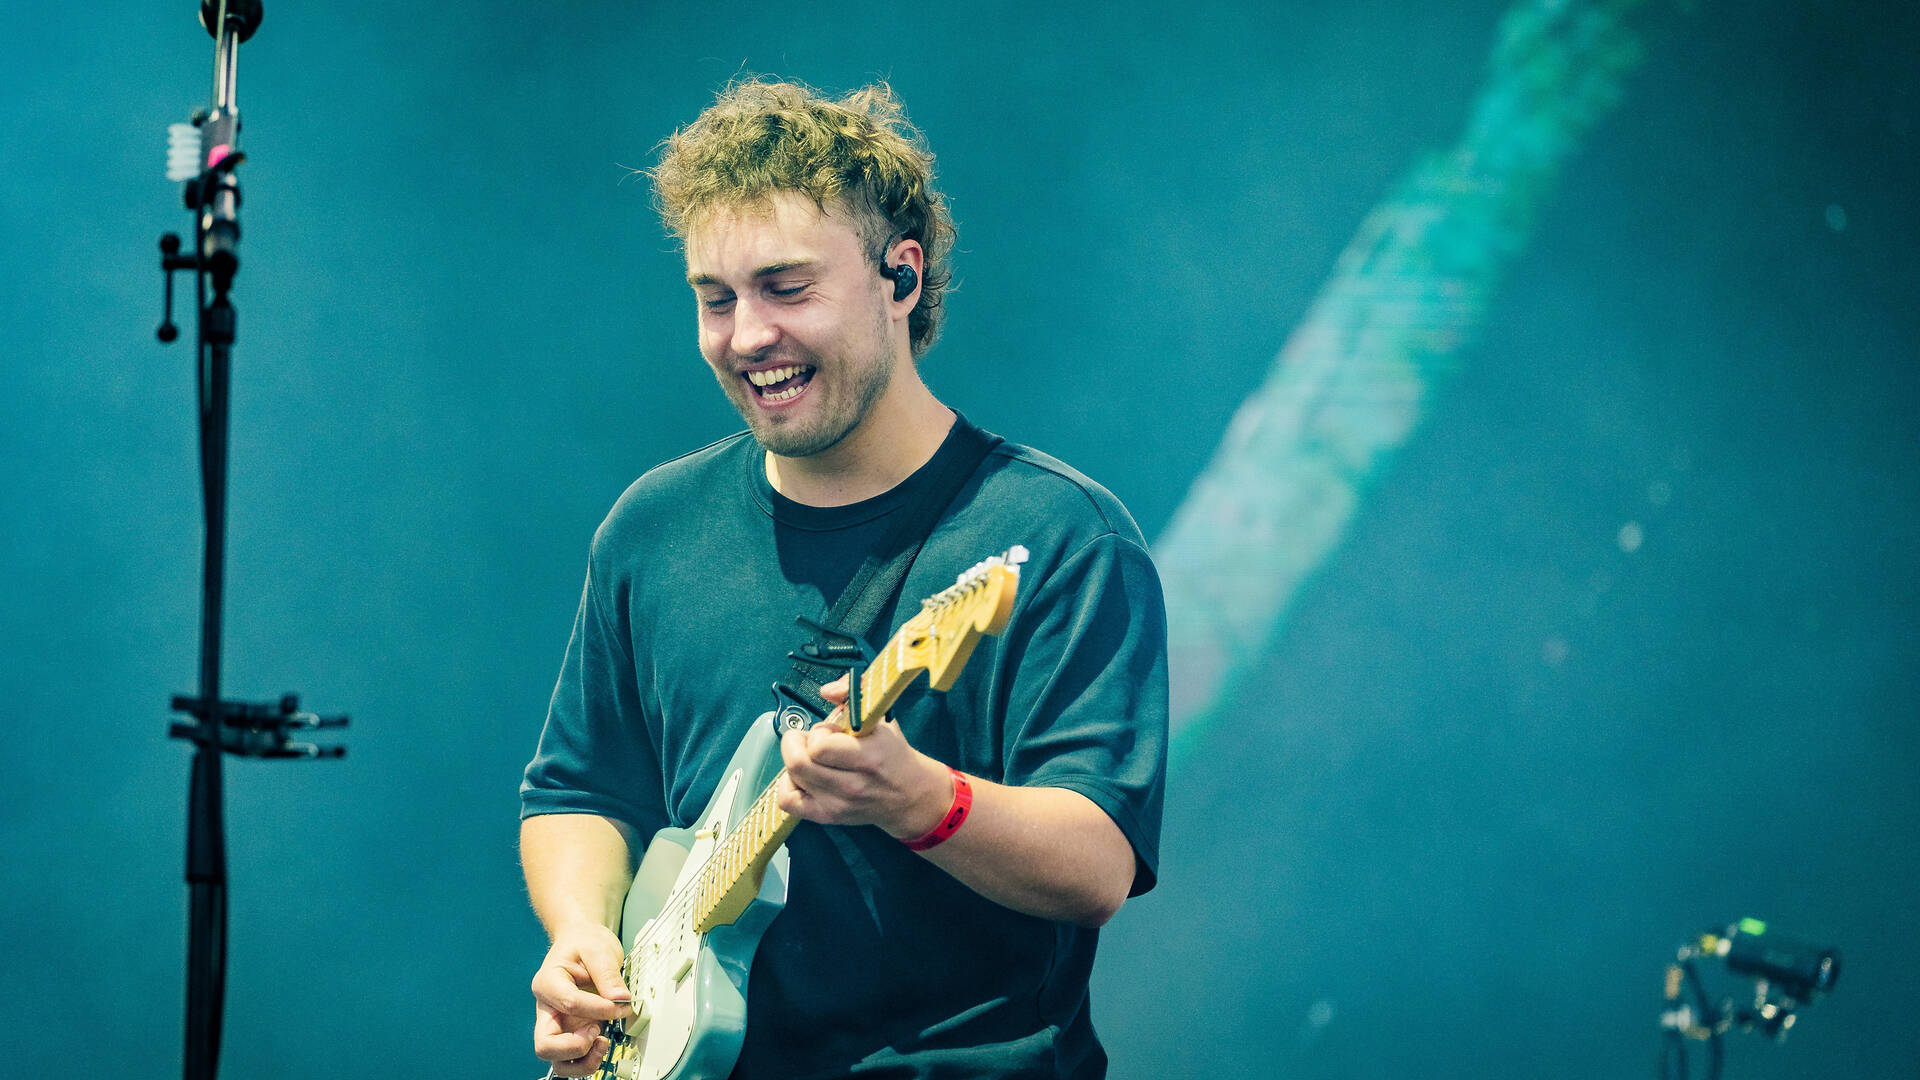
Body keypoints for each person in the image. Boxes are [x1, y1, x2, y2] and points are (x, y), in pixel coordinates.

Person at [519, 78, 1168, 1080]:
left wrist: (925, 802)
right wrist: (579, 937)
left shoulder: (1052, 533)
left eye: (787, 288)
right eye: (716, 299)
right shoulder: (653, 526)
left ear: (901, 278)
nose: (746, 337)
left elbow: (1098, 862)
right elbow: (576, 789)